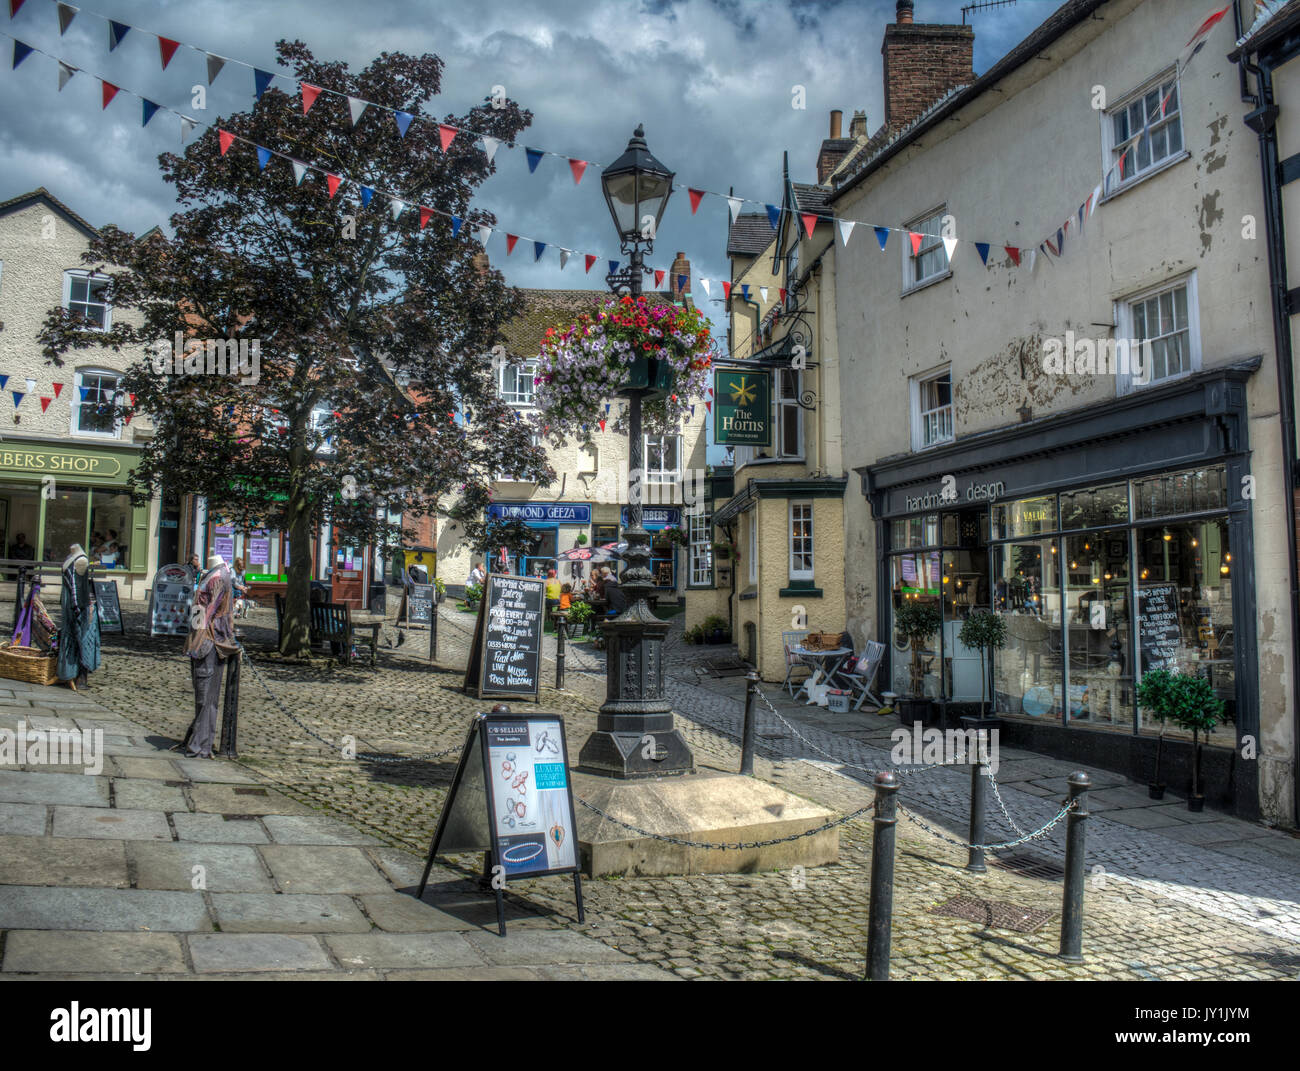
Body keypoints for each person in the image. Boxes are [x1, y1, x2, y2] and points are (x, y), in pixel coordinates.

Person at [181, 554, 237, 758]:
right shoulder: (215, 574)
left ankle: (199, 745)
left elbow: (205, 614)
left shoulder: (217, 577)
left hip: (207, 641)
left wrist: (195, 639)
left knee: (205, 696)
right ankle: (201, 742)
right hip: (206, 639)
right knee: (206, 696)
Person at [57, 543, 101, 692]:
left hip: (82, 608)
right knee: (77, 640)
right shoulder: (72, 557)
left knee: (83, 641)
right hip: (74, 607)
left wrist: (76, 608)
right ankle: (74, 674)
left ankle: (82, 677)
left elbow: (76, 588)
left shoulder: (80, 560)